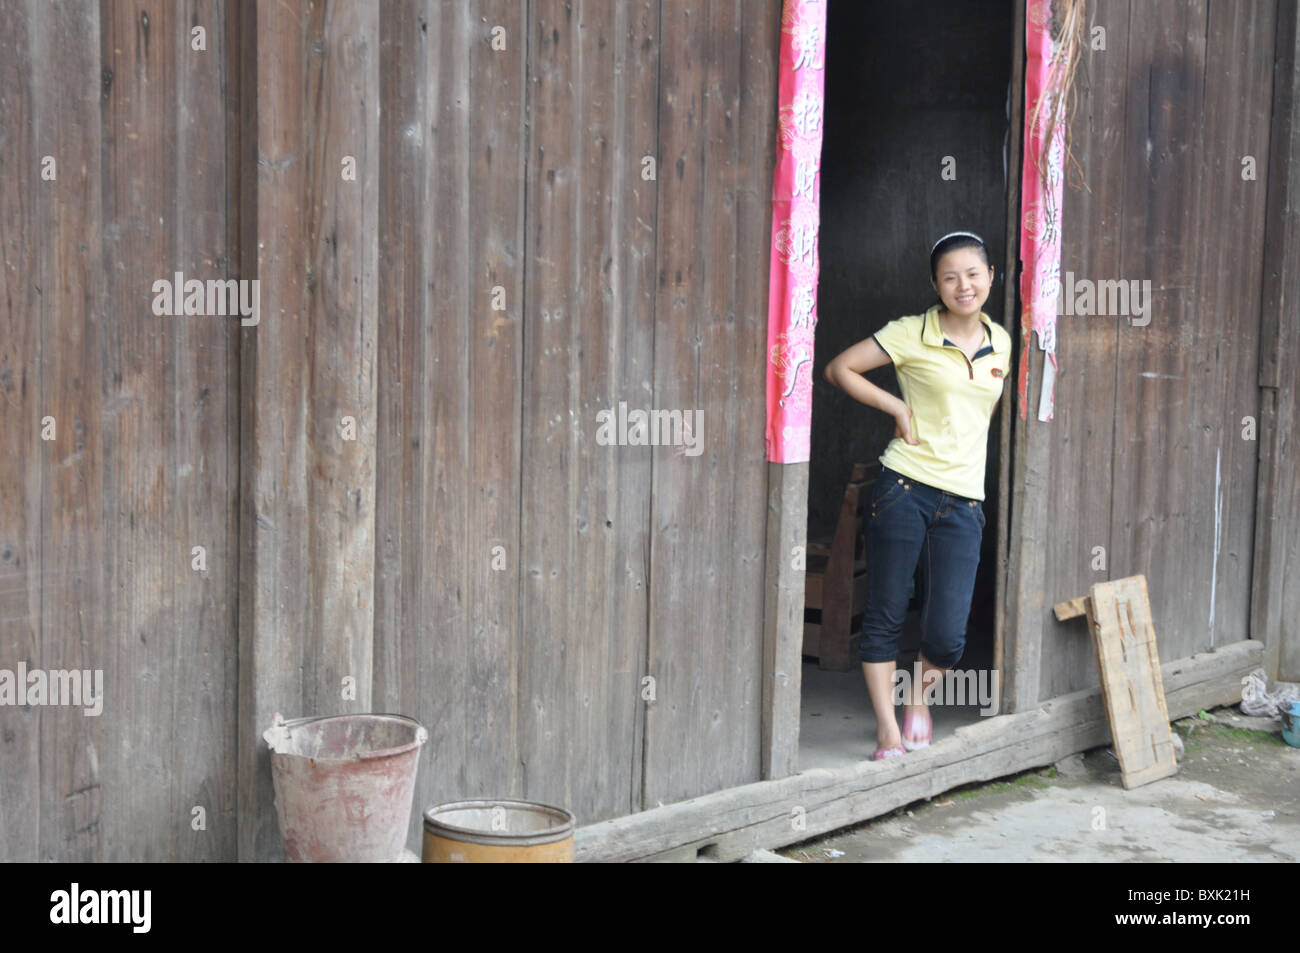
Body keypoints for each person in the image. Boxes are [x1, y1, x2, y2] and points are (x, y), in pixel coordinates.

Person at [822, 231, 1012, 760]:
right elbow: (839, 369)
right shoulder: (910, 333)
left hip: (964, 500)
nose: (963, 285)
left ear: (990, 277)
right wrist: (899, 409)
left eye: (973, 274)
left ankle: (919, 700)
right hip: (904, 486)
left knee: (949, 634)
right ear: (935, 284)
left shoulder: (1004, 344)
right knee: (885, 611)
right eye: (950, 276)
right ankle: (888, 731)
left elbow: (981, 417)